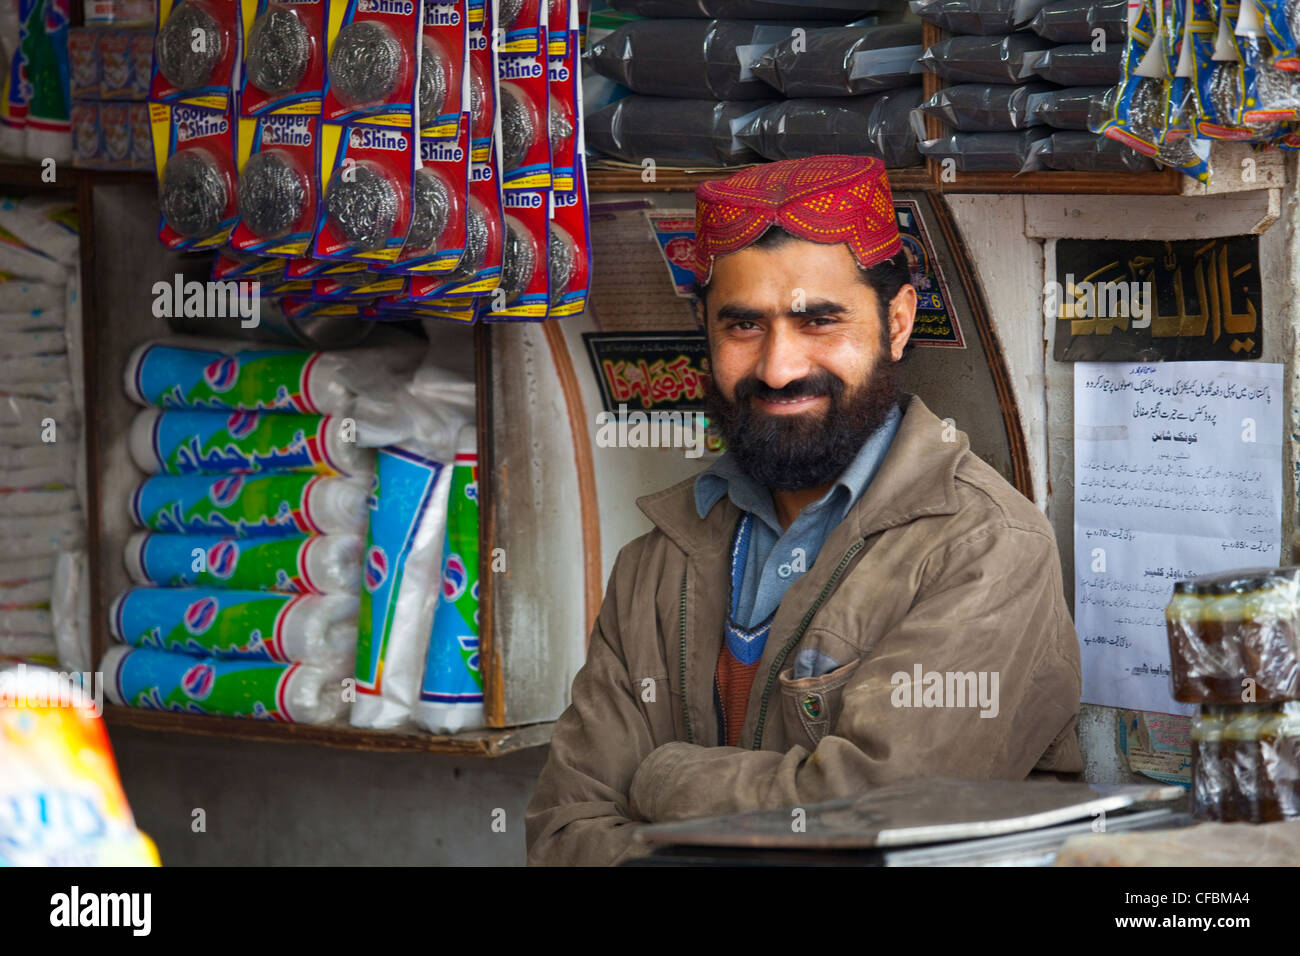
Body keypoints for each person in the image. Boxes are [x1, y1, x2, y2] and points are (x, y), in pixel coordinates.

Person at [525, 155, 1083, 866]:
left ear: (898, 322)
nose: (779, 366)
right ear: (705, 329)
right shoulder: (656, 563)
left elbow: (878, 819)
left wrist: (664, 779)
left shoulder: (981, 550)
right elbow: (563, 832)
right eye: (743, 327)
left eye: (819, 321)